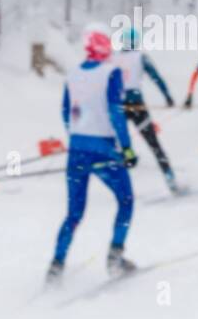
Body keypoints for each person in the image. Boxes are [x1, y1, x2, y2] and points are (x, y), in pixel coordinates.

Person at [48, 24, 138, 284]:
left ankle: (56, 265)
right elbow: (116, 113)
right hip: (104, 149)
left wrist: (77, 136)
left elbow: (66, 112)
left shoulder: (73, 73)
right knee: (126, 200)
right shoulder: (111, 73)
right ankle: (115, 257)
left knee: (74, 213)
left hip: (77, 150)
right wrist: (127, 147)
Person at [112, 27, 180, 193]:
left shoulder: (113, 59)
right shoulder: (140, 57)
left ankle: (121, 183)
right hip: (137, 106)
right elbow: (156, 78)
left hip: (118, 106)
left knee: (119, 144)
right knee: (153, 143)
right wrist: (168, 97)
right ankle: (170, 178)